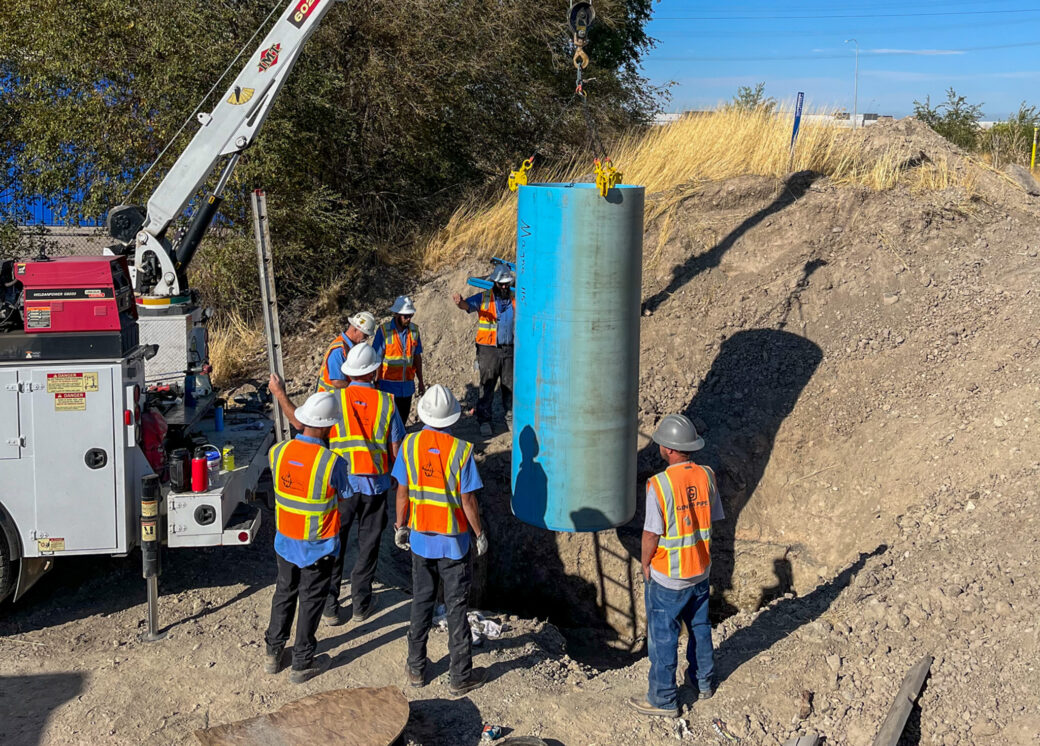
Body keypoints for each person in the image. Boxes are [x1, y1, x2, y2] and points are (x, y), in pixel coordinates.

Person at [270, 342, 404, 627]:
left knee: (336, 544)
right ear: (374, 371)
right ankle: (360, 603)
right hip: (376, 488)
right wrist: (396, 480)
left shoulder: (334, 400)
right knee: (369, 546)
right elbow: (395, 449)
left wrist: (280, 394)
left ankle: (331, 606)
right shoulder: (387, 402)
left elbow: (300, 422)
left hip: (340, 485)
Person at [392, 385, 489, 696]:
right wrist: (479, 533)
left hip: (421, 540)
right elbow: (468, 500)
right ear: (452, 418)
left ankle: (416, 668)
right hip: (454, 544)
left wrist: (400, 525)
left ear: (423, 416)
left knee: (421, 601)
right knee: (457, 606)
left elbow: (403, 492)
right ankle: (460, 677)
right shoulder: (460, 451)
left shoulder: (409, 445)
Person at [629, 414, 725, 717]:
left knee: (663, 637)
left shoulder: (659, 484)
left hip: (669, 575)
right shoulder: (707, 475)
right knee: (699, 627)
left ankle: (663, 699)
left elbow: (650, 533)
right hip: (700, 569)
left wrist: (645, 563)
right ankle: (704, 682)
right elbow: (713, 517)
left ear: (668, 449)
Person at [264, 392, 348, 684]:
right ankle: (302, 661)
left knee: (284, 592)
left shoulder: (279, 452)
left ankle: (273, 652)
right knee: (311, 600)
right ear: (326, 427)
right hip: (317, 546)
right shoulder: (331, 462)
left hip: (286, 540)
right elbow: (345, 492)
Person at [452, 264, 514, 437]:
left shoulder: (515, 298)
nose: (504, 287)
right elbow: (467, 306)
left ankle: (510, 418)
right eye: (501, 284)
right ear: (494, 282)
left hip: (509, 348)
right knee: (487, 385)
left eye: (506, 284)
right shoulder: (485, 298)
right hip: (488, 349)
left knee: (509, 385)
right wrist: (460, 302)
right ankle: (484, 420)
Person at [373, 296, 425, 423]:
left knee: (402, 421)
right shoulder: (384, 331)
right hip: (388, 387)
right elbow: (376, 359)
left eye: (410, 316)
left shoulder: (414, 331)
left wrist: (421, 381)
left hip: (407, 386)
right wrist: (375, 381)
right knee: (388, 422)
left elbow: (417, 357)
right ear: (397, 314)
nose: (408, 319)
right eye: (405, 316)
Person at [316, 311, 376, 392]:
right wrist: (357, 390)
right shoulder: (338, 351)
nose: (366, 339)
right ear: (355, 330)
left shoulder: (350, 346)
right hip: (327, 399)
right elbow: (337, 382)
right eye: (365, 335)